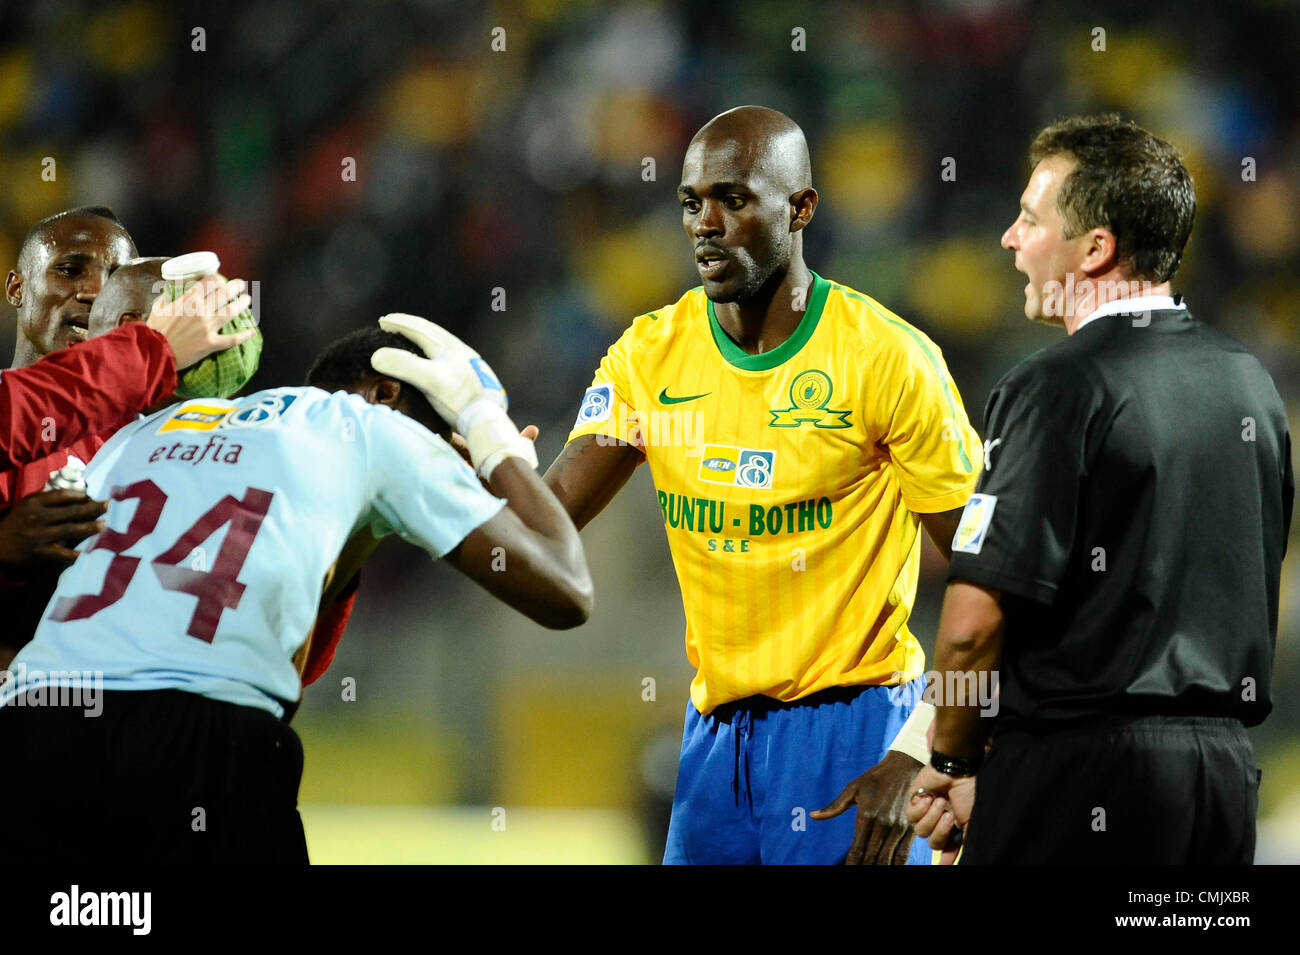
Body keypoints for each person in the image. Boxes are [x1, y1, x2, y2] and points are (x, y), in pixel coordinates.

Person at [528, 106, 981, 864]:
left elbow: (994, 585)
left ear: (800, 208)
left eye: (733, 200)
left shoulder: (887, 360)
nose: (705, 223)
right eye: (690, 202)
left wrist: (926, 749)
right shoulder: (649, 357)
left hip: (857, 735)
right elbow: (543, 524)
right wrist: (481, 455)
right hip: (713, 742)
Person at [0, 316, 591, 863]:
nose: (452, 459)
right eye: (446, 435)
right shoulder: (374, 428)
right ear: (386, 392)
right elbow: (566, 588)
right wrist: (492, 437)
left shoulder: (143, 434)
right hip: (202, 737)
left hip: (34, 729)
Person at [906, 115, 1294, 864]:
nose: (1010, 240)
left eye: (1028, 219)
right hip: (1218, 780)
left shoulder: (1053, 385)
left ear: (1095, 249)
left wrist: (950, 760)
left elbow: (970, 626)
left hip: (1077, 775)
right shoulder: (1252, 385)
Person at [0, 213, 255, 669]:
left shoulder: (160, 447)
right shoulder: (11, 414)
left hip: (104, 724)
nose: (93, 290)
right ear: (16, 288)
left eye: (113, 278)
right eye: (70, 269)